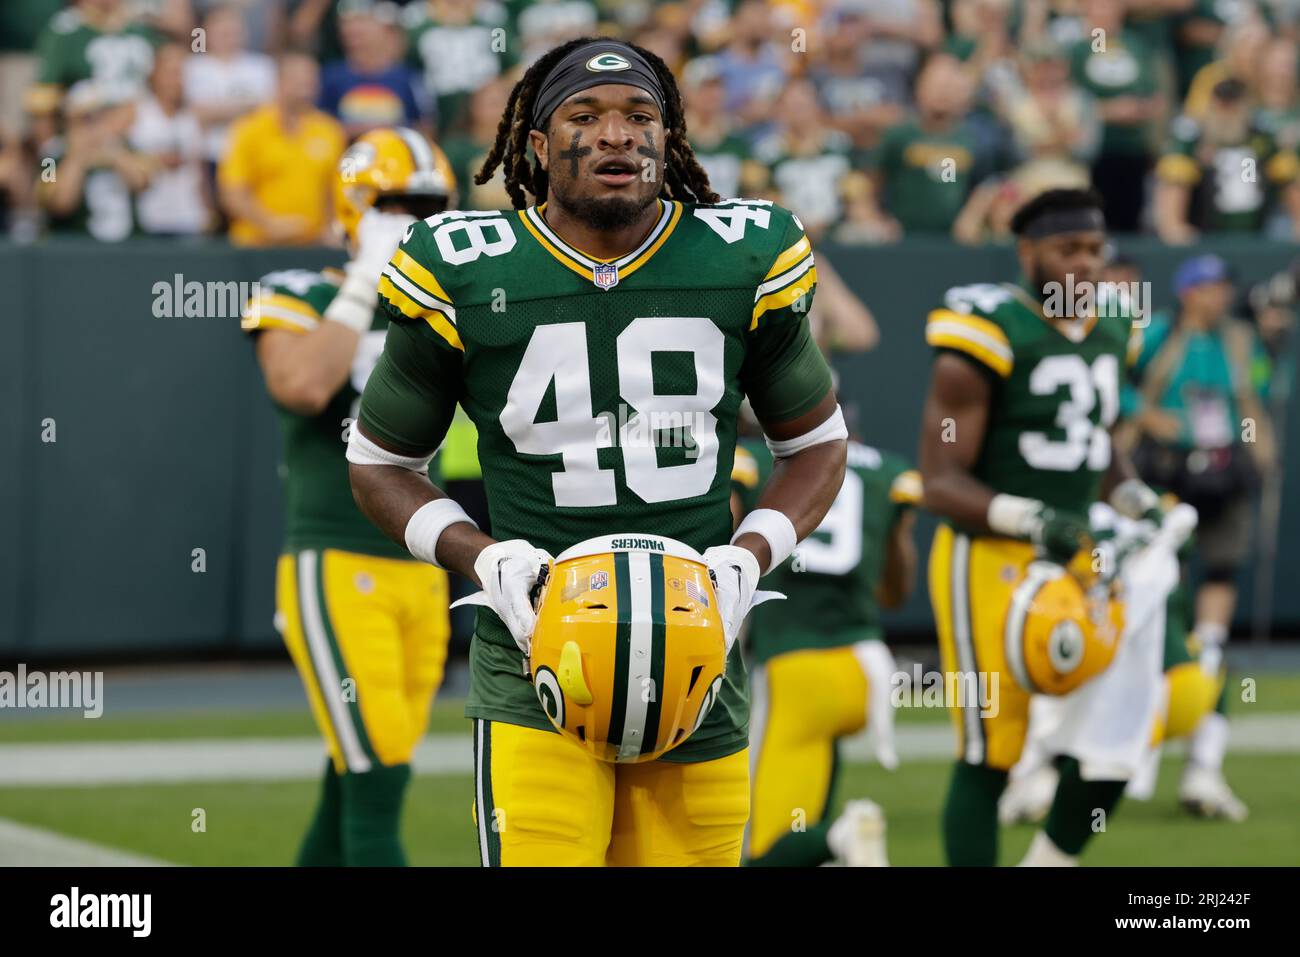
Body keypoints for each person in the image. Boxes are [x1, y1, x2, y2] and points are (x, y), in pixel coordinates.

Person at [346, 36, 848, 866]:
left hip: (699, 656)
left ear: (670, 136)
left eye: (639, 116)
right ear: (538, 147)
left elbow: (818, 445)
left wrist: (749, 559)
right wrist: (483, 559)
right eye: (585, 115)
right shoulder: (466, 268)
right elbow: (378, 460)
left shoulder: (741, 254)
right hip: (534, 653)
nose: (617, 134)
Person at [241, 126, 458, 865]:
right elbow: (301, 386)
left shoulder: (446, 309)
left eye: (426, 206)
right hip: (333, 559)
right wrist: (367, 280)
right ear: (356, 203)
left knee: (361, 765)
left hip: (421, 563)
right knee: (379, 763)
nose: (411, 219)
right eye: (395, 203)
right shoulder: (298, 290)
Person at [918, 188, 1154, 866]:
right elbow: (939, 480)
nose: (1084, 264)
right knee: (993, 748)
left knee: (1121, 727)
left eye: (1094, 249)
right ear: (1028, 253)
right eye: (1067, 249)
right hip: (988, 558)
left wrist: (1139, 500)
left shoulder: (1115, 324)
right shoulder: (987, 329)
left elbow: (1093, 439)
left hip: (1080, 555)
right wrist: (1030, 517)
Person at [1122, 253, 1276, 820]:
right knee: (1160, 597)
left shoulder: (1240, 339)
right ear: (1188, 291)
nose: (1217, 297)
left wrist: (1257, 443)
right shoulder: (1159, 332)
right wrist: (1147, 415)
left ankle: (1209, 641)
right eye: (1208, 287)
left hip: (1222, 470)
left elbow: (1257, 392)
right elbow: (1115, 380)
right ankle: (1128, 760)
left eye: (1222, 287)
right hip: (1166, 470)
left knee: (1219, 579)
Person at [736, 435, 920, 866]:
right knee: (805, 811)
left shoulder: (755, 460)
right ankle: (830, 840)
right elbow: (896, 592)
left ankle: (841, 837)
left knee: (763, 850)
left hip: (797, 671)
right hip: (866, 668)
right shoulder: (885, 471)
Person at [218, 51, 346, 246]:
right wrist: (269, 224)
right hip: (256, 245)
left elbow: (334, 190)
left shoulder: (330, 131)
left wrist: (331, 227)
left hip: (312, 245)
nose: (305, 89)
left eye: (311, 81)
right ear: (279, 83)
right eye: (297, 81)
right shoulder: (249, 129)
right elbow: (233, 191)